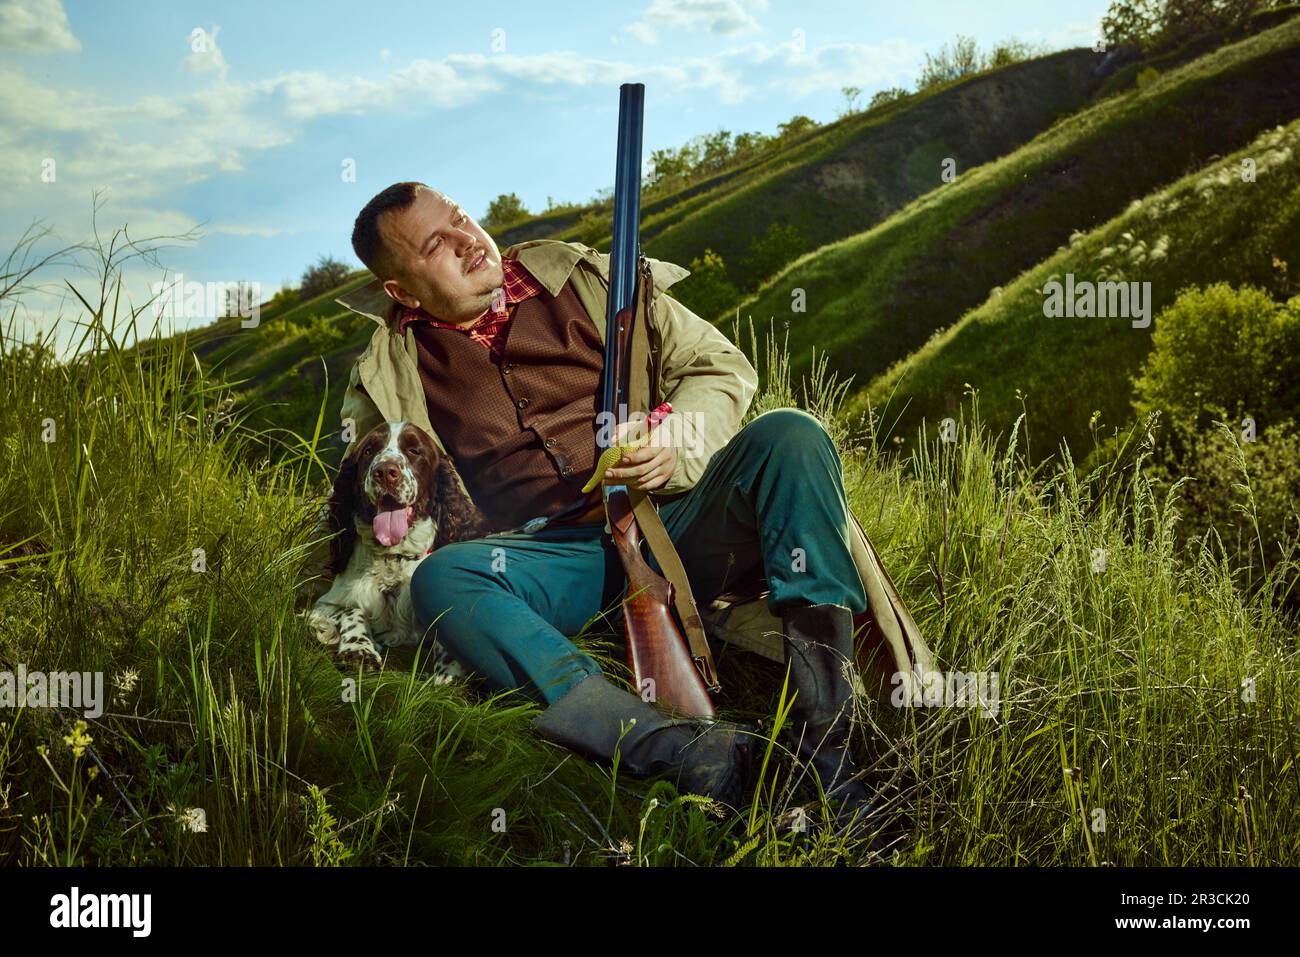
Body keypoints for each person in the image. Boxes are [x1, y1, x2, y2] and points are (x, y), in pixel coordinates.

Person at [313, 180, 930, 824]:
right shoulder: (388, 374)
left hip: (675, 519)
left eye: (463, 220)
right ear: (402, 291)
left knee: (792, 435)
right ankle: (684, 754)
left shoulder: (596, 281)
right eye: (438, 243)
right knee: (446, 578)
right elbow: (367, 498)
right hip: (550, 557)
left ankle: (826, 749)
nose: (469, 241)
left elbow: (721, 368)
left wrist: (676, 439)